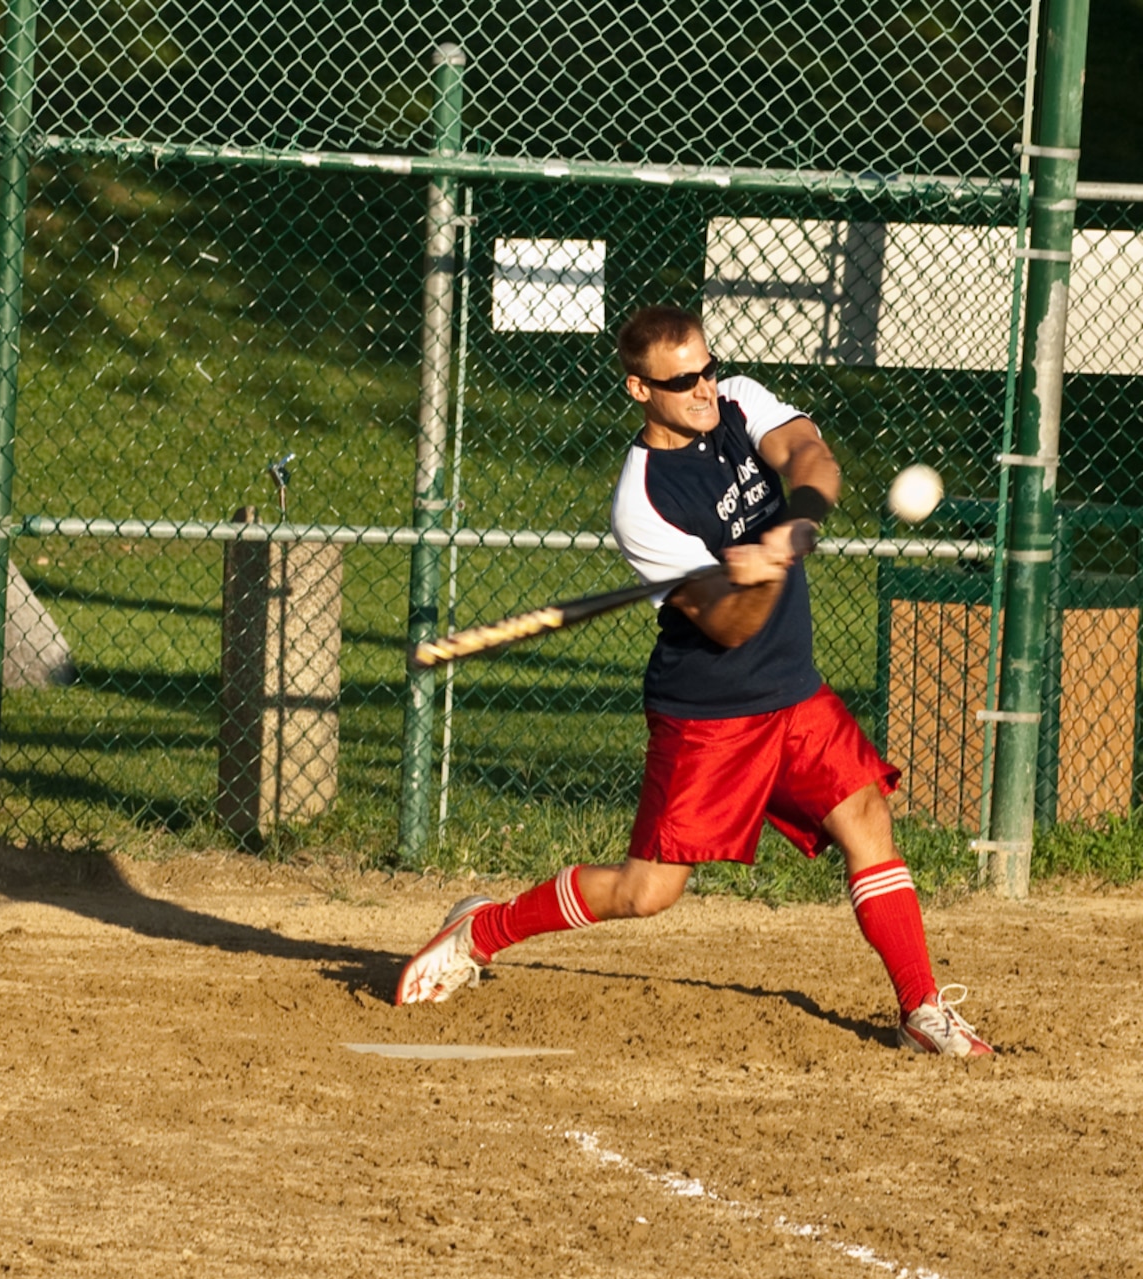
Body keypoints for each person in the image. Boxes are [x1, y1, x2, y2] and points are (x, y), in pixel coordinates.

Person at [395, 305, 991, 1057]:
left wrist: (795, 524)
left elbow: (811, 454)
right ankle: (480, 929)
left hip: (793, 689)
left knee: (866, 814)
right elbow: (730, 626)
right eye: (682, 382)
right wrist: (757, 577)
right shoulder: (642, 503)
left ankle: (920, 1009)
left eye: (707, 369)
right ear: (640, 389)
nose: (704, 388)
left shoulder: (737, 402)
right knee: (646, 892)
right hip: (711, 713)